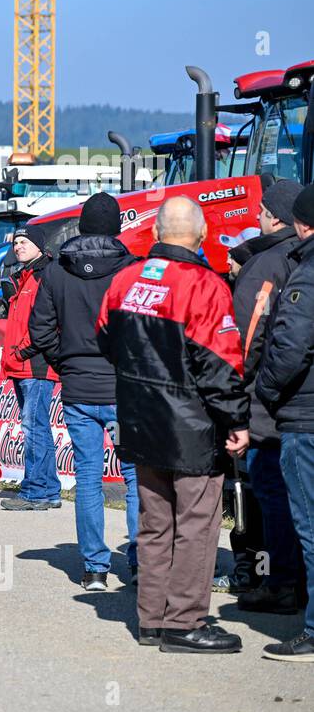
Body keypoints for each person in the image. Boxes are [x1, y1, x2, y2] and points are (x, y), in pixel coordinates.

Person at [97, 196, 249, 653]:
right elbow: (220, 363)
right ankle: (184, 622)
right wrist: (236, 419)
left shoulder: (125, 280)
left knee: (155, 522)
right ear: (201, 235)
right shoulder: (205, 285)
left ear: (158, 233)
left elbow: (105, 339)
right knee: (197, 525)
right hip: (192, 429)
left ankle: (152, 620)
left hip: (141, 422)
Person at [29, 192, 140, 590]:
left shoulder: (57, 271)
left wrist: (67, 363)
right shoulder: (132, 269)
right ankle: (140, 564)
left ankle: (95, 567)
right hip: (124, 392)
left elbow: (39, 328)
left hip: (79, 391)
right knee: (134, 477)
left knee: (88, 476)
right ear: (118, 227)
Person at [231, 179, 306, 611]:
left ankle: (280, 582)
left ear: (275, 216)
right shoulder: (301, 258)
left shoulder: (266, 263)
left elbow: (246, 337)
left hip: (267, 401)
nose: (257, 218)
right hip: (298, 396)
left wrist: (236, 392)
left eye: (261, 211)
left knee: (272, 492)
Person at [255, 182, 314, 662]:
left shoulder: (306, 275)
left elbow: (287, 349)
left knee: (310, 525)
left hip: (305, 417)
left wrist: (267, 391)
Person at [0, 225, 63, 512]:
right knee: (36, 428)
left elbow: (45, 323)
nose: (18, 246)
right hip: (22, 362)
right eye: (15, 242)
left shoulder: (43, 275)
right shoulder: (24, 276)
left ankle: (38, 490)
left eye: (24, 242)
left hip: (34, 363)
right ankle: (45, 488)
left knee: (34, 428)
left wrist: (22, 350)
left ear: (39, 245)